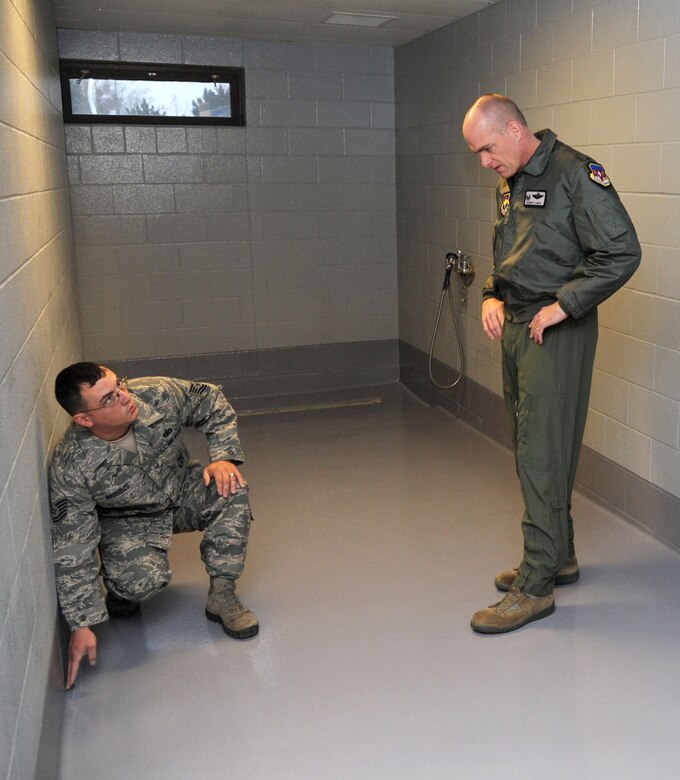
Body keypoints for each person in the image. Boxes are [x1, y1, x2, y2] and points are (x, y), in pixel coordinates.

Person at [462, 94, 641, 634]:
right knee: (532, 445)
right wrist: (492, 293)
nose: (485, 162)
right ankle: (558, 555)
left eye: (487, 148)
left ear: (515, 130)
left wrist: (564, 306)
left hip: (554, 332)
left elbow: (622, 252)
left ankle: (536, 586)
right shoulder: (510, 179)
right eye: (477, 153)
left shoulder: (575, 173)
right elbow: (507, 251)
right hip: (517, 327)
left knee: (541, 450)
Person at [50, 363, 259, 689]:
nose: (124, 397)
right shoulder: (72, 463)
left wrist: (223, 457)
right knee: (140, 583)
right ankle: (120, 585)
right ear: (84, 419)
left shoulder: (155, 392)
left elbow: (211, 400)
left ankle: (223, 595)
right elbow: (73, 543)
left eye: (118, 384)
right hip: (128, 519)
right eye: (109, 399)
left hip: (181, 489)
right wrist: (81, 623)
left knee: (231, 489)